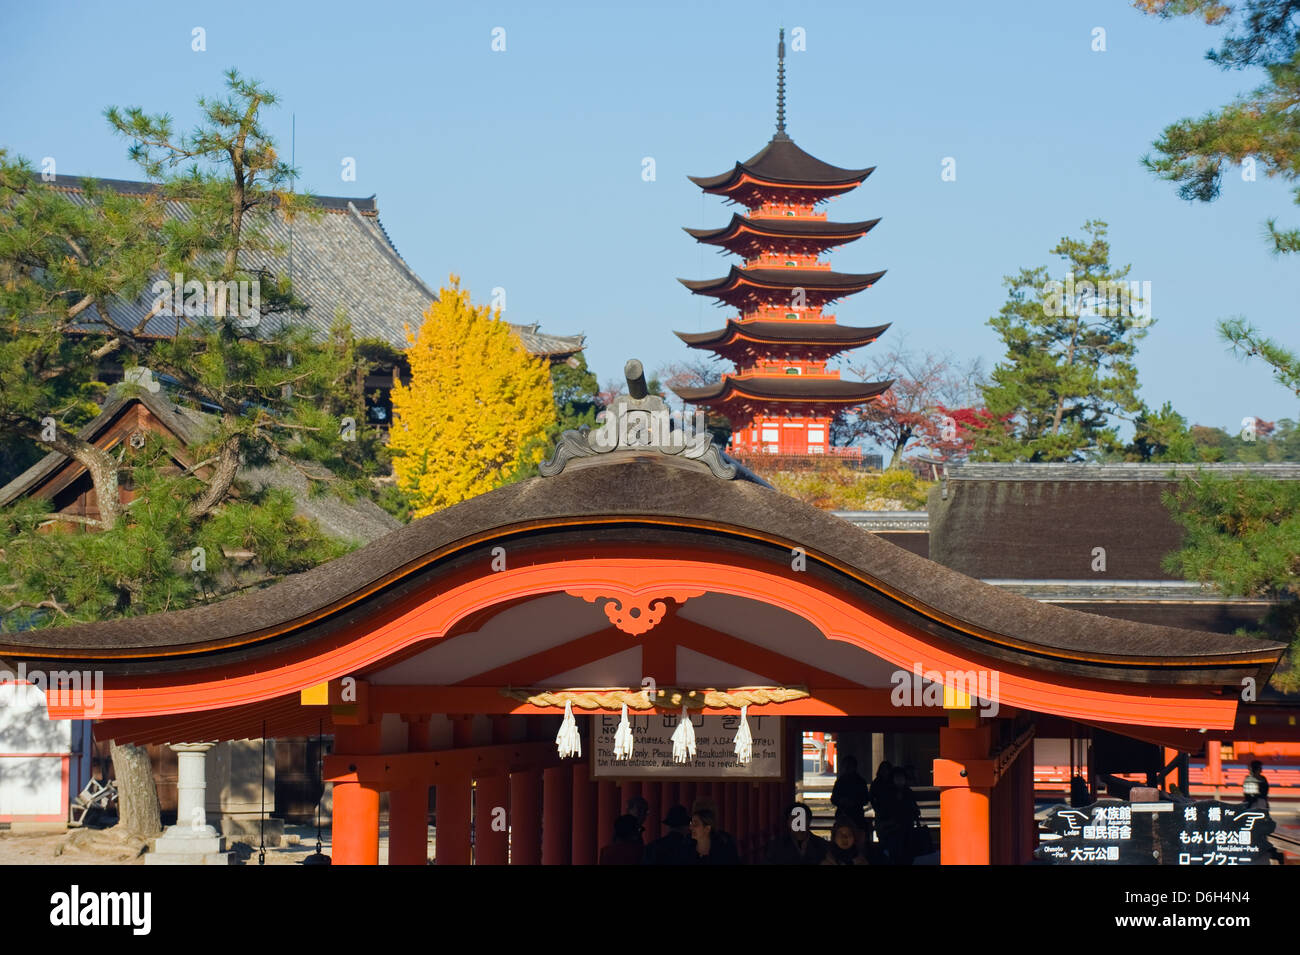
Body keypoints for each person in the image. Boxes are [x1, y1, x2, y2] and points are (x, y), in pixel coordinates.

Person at [765, 802, 829, 865]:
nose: (798, 823)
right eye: (794, 819)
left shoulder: (823, 845)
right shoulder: (776, 846)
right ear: (788, 822)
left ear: (809, 821)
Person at [830, 755, 870, 827]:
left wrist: (853, 802)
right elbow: (833, 799)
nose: (847, 768)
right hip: (846, 814)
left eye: (848, 766)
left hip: (855, 815)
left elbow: (865, 799)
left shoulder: (858, 782)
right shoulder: (841, 781)